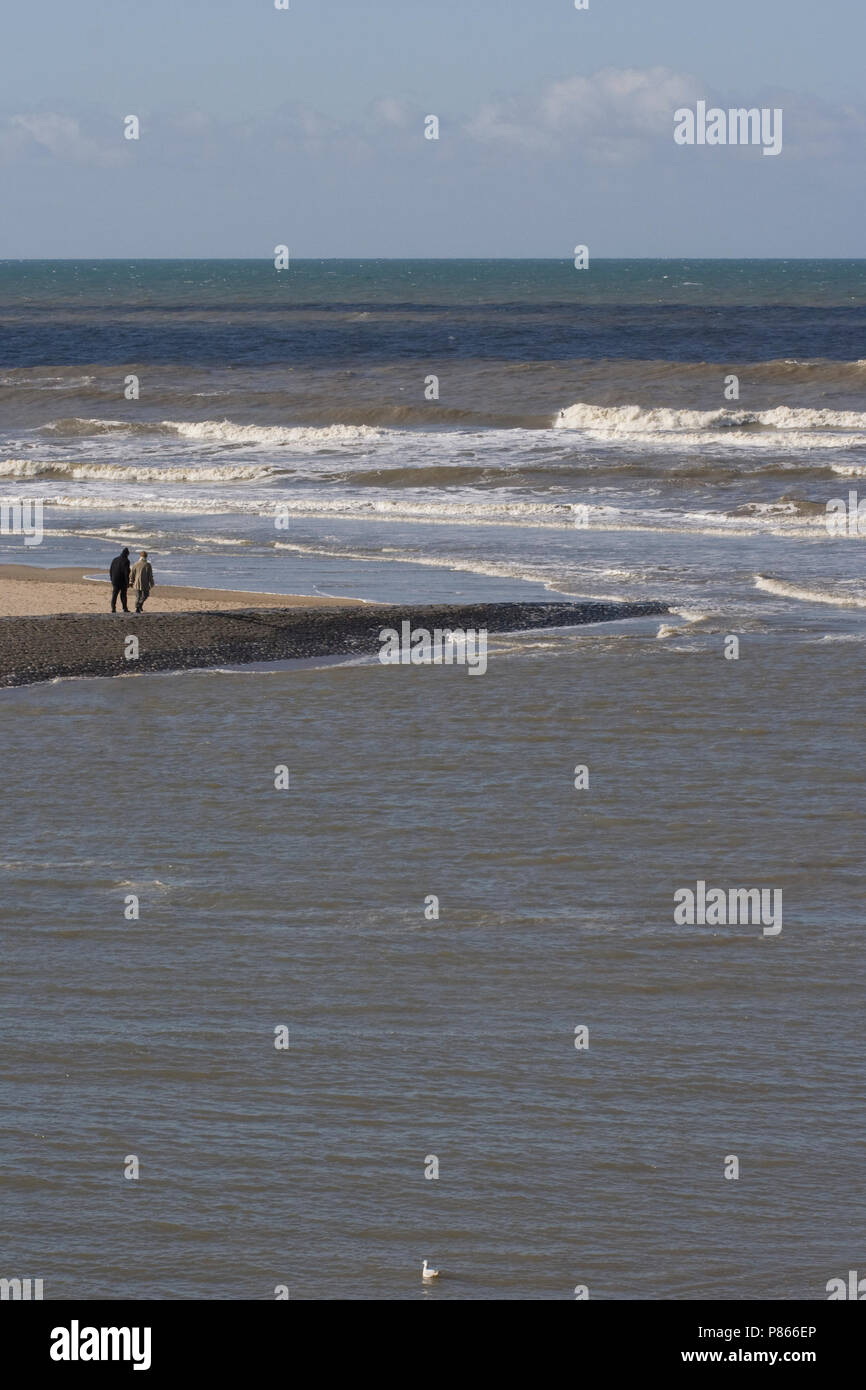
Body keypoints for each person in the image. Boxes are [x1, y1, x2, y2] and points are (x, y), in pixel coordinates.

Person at [109, 547, 131, 613]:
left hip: (115, 580)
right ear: (127, 554)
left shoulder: (115, 559)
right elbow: (126, 572)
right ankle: (125, 608)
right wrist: (127, 583)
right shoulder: (126, 561)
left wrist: (111, 578)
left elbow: (111, 570)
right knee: (123, 595)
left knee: (114, 595)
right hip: (122, 581)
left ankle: (113, 608)